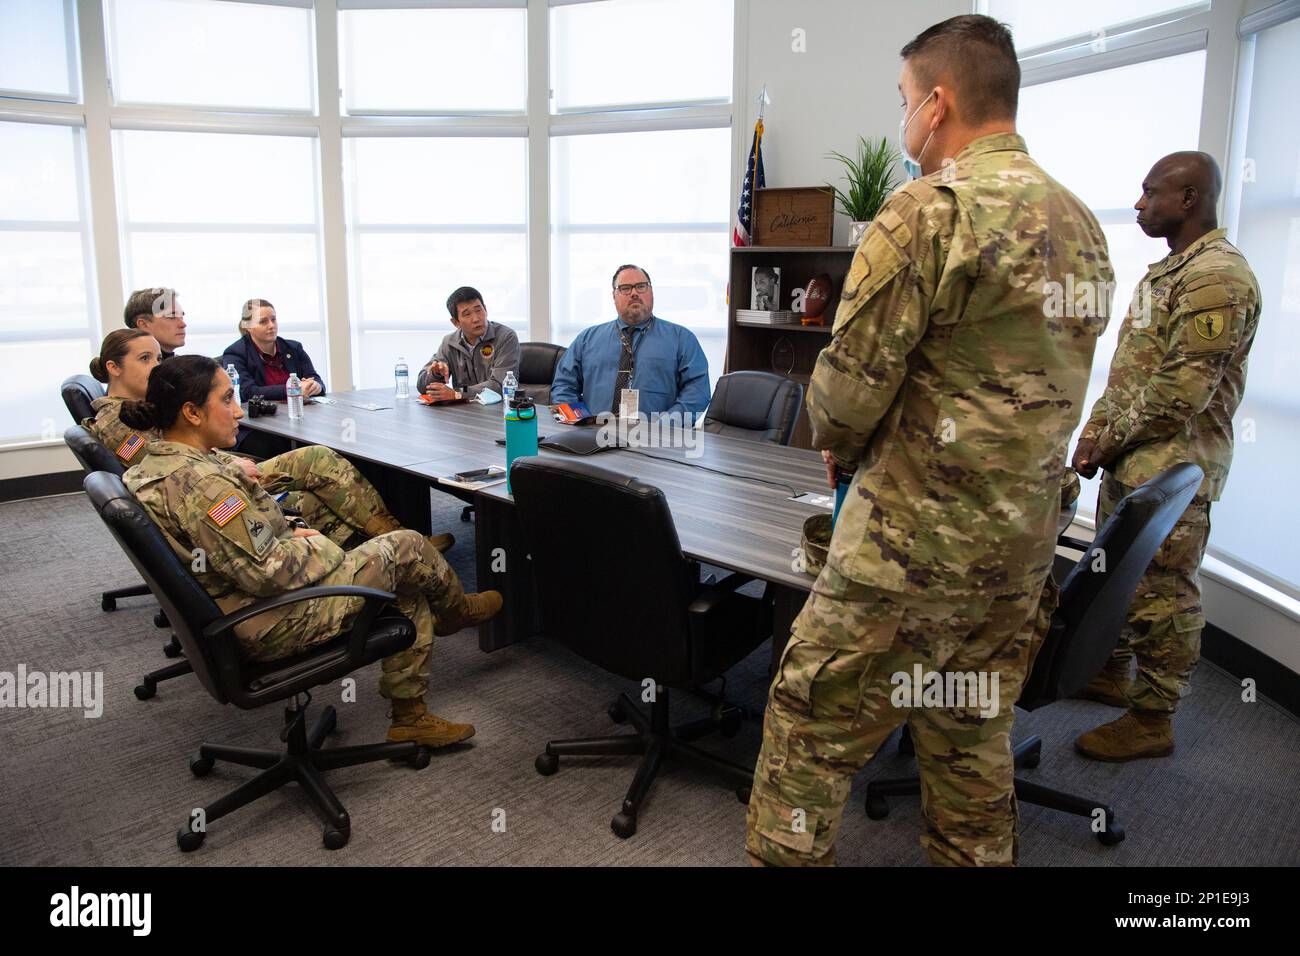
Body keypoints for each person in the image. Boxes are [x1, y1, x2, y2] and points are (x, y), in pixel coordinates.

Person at [745, 14, 1112, 867]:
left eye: (905, 100)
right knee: (970, 728)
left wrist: (848, 431)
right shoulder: (1084, 225)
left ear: (938, 104)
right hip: (1018, 554)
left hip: (906, 558)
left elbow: (840, 404)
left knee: (808, 727)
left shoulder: (925, 210)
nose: (903, 119)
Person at [120, 356, 502, 747]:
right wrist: (317, 541)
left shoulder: (156, 466)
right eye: (227, 399)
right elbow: (268, 573)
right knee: (407, 549)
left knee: (402, 576)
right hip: (270, 619)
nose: (238, 410)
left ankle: (411, 715)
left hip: (234, 606)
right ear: (191, 413)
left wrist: (282, 521)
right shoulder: (204, 487)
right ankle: (455, 613)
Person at [1071, 151, 1261, 761]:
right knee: (1117, 581)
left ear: (1188, 199)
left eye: (1150, 193)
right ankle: (1111, 673)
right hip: (1132, 463)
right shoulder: (1169, 272)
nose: (1138, 203)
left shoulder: (1217, 279)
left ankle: (1153, 717)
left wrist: (1106, 439)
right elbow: (1130, 372)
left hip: (1173, 472)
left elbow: (1181, 393)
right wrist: (1094, 428)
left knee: (1163, 594)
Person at [86, 329, 454, 553]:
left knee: (316, 469)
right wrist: (230, 466)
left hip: (219, 469)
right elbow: (164, 469)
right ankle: (392, 544)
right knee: (318, 463)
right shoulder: (116, 419)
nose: (155, 366)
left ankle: (386, 542)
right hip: (216, 483)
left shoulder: (135, 407)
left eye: (156, 357)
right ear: (113, 368)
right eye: (145, 358)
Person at [550, 265, 710, 418]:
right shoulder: (586, 339)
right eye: (625, 288)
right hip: (594, 437)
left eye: (641, 286)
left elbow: (697, 394)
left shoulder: (682, 339)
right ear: (614, 296)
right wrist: (578, 422)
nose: (634, 293)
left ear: (651, 292)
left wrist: (662, 428)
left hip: (656, 440)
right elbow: (563, 386)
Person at [417, 287, 520, 402]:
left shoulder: (505, 337)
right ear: (455, 322)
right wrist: (435, 374)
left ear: (485, 309)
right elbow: (422, 387)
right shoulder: (449, 343)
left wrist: (459, 393)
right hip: (465, 412)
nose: (476, 319)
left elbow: (500, 385)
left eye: (478, 310)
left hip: (498, 411)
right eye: (467, 314)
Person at [221, 299, 325, 402]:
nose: (271, 325)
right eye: (263, 322)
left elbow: (315, 378)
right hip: (262, 416)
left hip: (298, 410)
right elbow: (247, 391)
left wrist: (316, 386)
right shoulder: (235, 353)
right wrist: (293, 389)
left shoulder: (294, 348)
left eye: (273, 319)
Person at [124, 287, 186, 360]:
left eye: (181, 317)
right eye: (172, 317)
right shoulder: (133, 369)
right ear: (143, 325)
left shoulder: (185, 367)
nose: (183, 324)